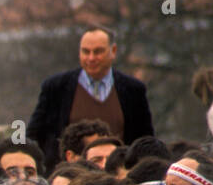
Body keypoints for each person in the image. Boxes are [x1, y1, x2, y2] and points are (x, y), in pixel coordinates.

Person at [27, 27, 155, 170]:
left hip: (119, 175)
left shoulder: (133, 90)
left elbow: (145, 140)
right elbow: (35, 133)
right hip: (68, 175)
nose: (91, 58)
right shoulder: (56, 87)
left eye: (98, 51)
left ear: (113, 51)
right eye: (85, 51)